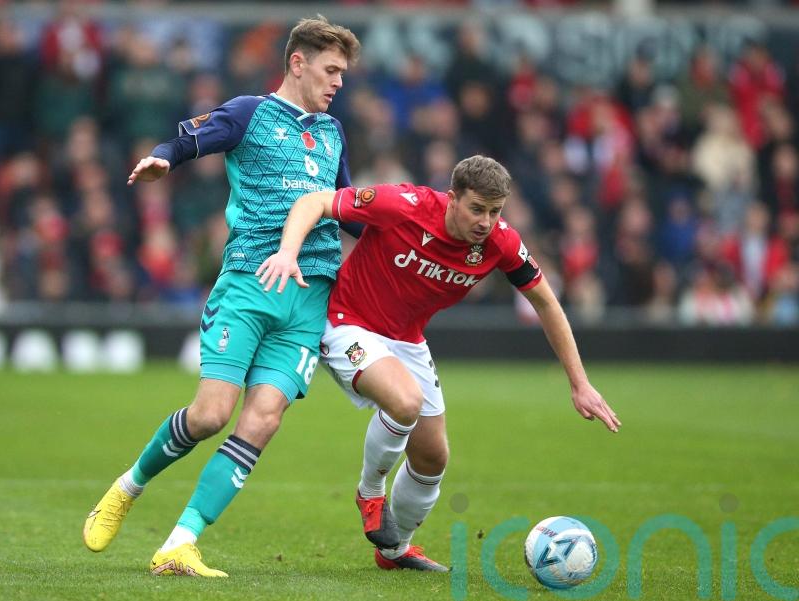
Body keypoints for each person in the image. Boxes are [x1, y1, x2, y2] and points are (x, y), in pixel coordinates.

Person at [82, 16, 361, 577]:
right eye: (331, 70)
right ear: (297, 62)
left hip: (310, 299)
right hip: (250, 283)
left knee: (262, 420)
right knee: (211, 415)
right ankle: (127, 486)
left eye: (344, 74)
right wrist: (164, 157)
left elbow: (350, 206)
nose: (338, 83)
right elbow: (190, 136)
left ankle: (180, 543)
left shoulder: (332, 133)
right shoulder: (249, 112)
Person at [257, 155, 621, 572]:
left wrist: (579, 383)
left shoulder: (500, 242)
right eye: (477, 209)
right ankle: (370, 492)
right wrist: (288, 252)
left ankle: (395, 551)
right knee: (405, 402)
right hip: (346, 322)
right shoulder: (402, 205)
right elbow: (315, 202)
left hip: (407, 340)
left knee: (432, 457)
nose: (486, 221)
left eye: (495, 211)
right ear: (452, 199)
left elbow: (545, 302)